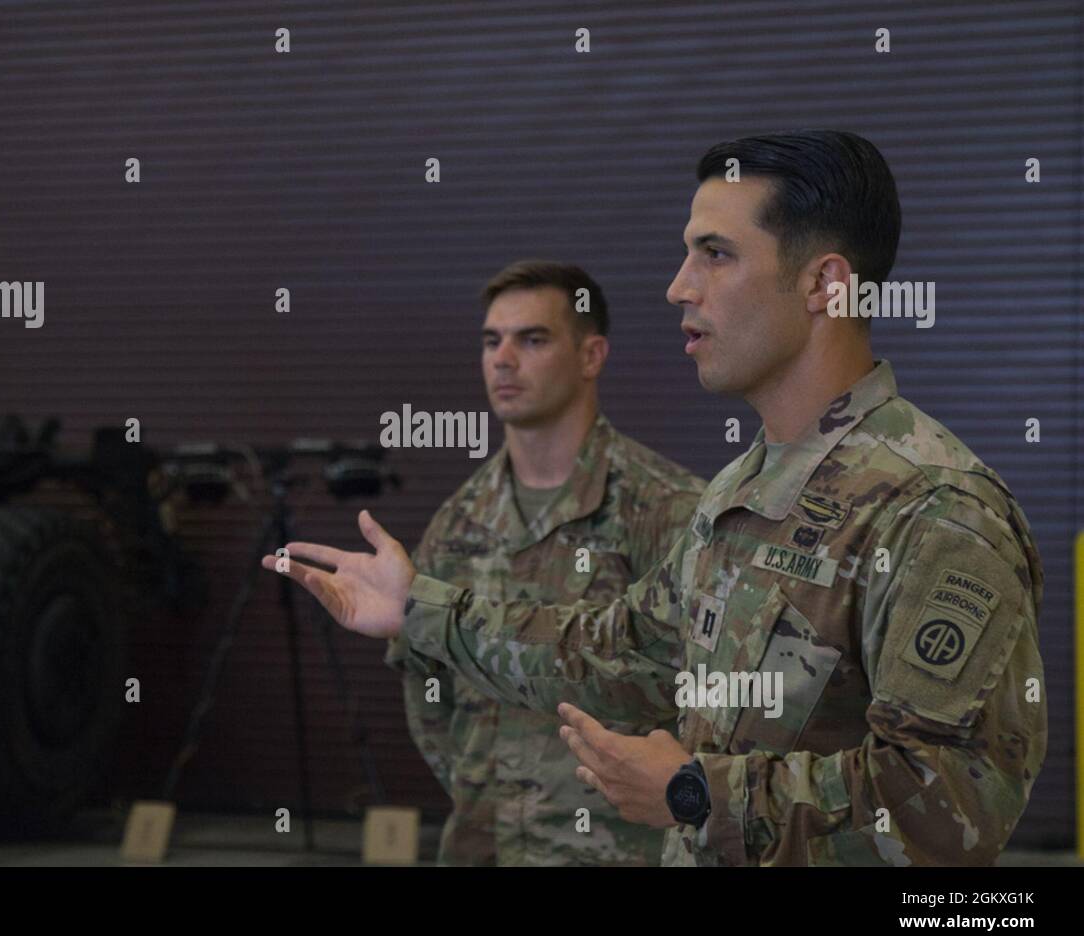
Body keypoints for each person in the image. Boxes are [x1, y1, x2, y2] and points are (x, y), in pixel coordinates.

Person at [264, 130, 1046, 866]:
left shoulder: (934, 508)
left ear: (825, 285)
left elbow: (956, 801)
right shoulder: (739, 493)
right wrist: (420, 611)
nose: (679, 288)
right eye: (687, 256)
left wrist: (696, 793)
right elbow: (619, 647)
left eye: (715, 255)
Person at [388, 260, 702, 865]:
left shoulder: (667, 510)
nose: (503, 358)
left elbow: (707, 695)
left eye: (532, 339)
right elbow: (426, 693)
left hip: (620, 851)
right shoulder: (458, 521)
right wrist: (483, 789)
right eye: (491, 340)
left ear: (591, 356)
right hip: (485, 844)